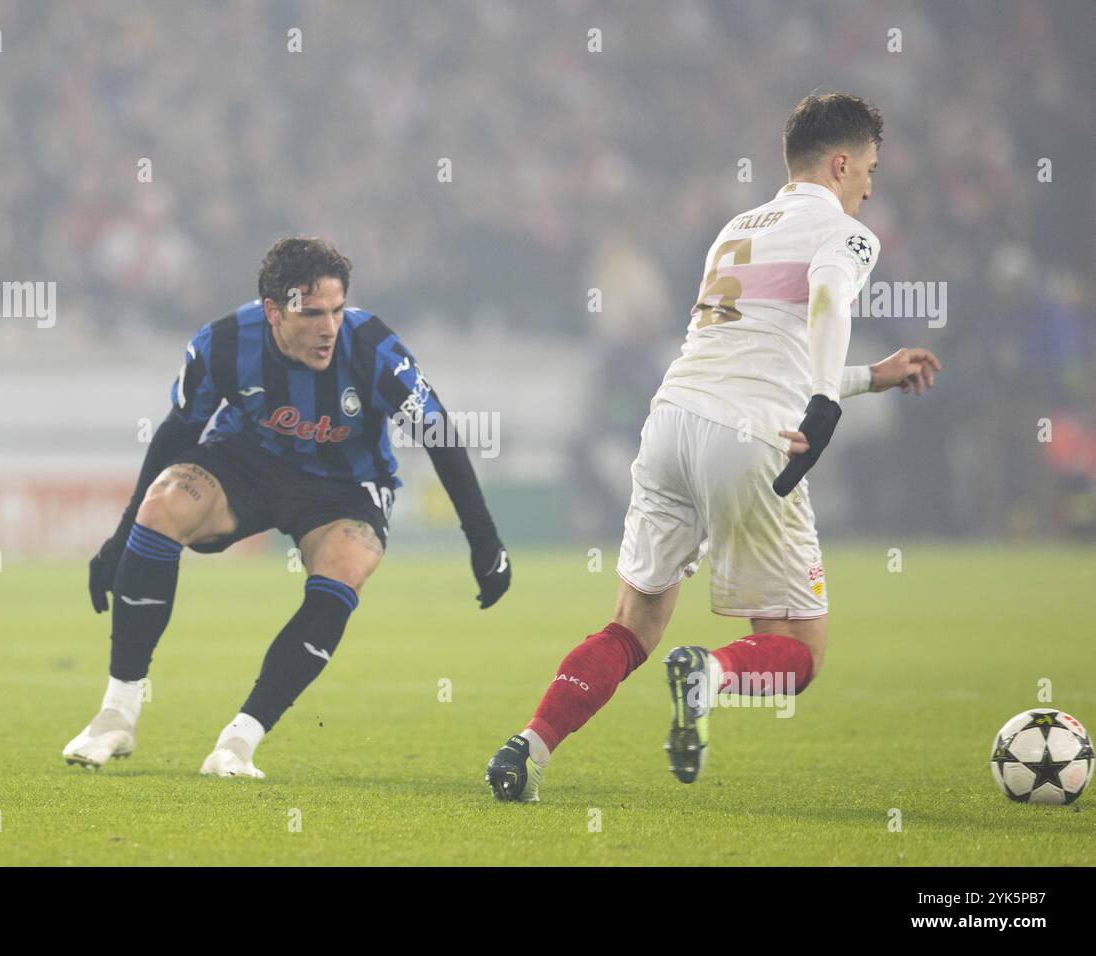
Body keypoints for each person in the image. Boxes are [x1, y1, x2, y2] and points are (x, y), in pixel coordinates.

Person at [485, 93, 941, 800]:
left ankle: (528, 749)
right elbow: (826, 304)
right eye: (871, 168)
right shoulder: (847, 233)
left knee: (632, 625)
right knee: (799, 648)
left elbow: (754, 351)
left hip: (672, 422)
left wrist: (866, 380)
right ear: (843, 162)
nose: (872, 186)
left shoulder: (737, 228)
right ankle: (712, 674)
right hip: (751, 437)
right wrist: (824, 403)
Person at [65, 236, 511, 777]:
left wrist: (483, 539)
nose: (329, 328)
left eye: (337, 310)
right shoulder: (224, 344)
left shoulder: (372, 347)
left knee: (347, 565)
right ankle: (118, 710)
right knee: (161, 507)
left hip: (345, 484)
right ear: (274, 312)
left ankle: (238, 741)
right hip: (248, 464)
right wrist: (122, 537)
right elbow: (177, 432)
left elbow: (438, 434)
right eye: (313, 313)